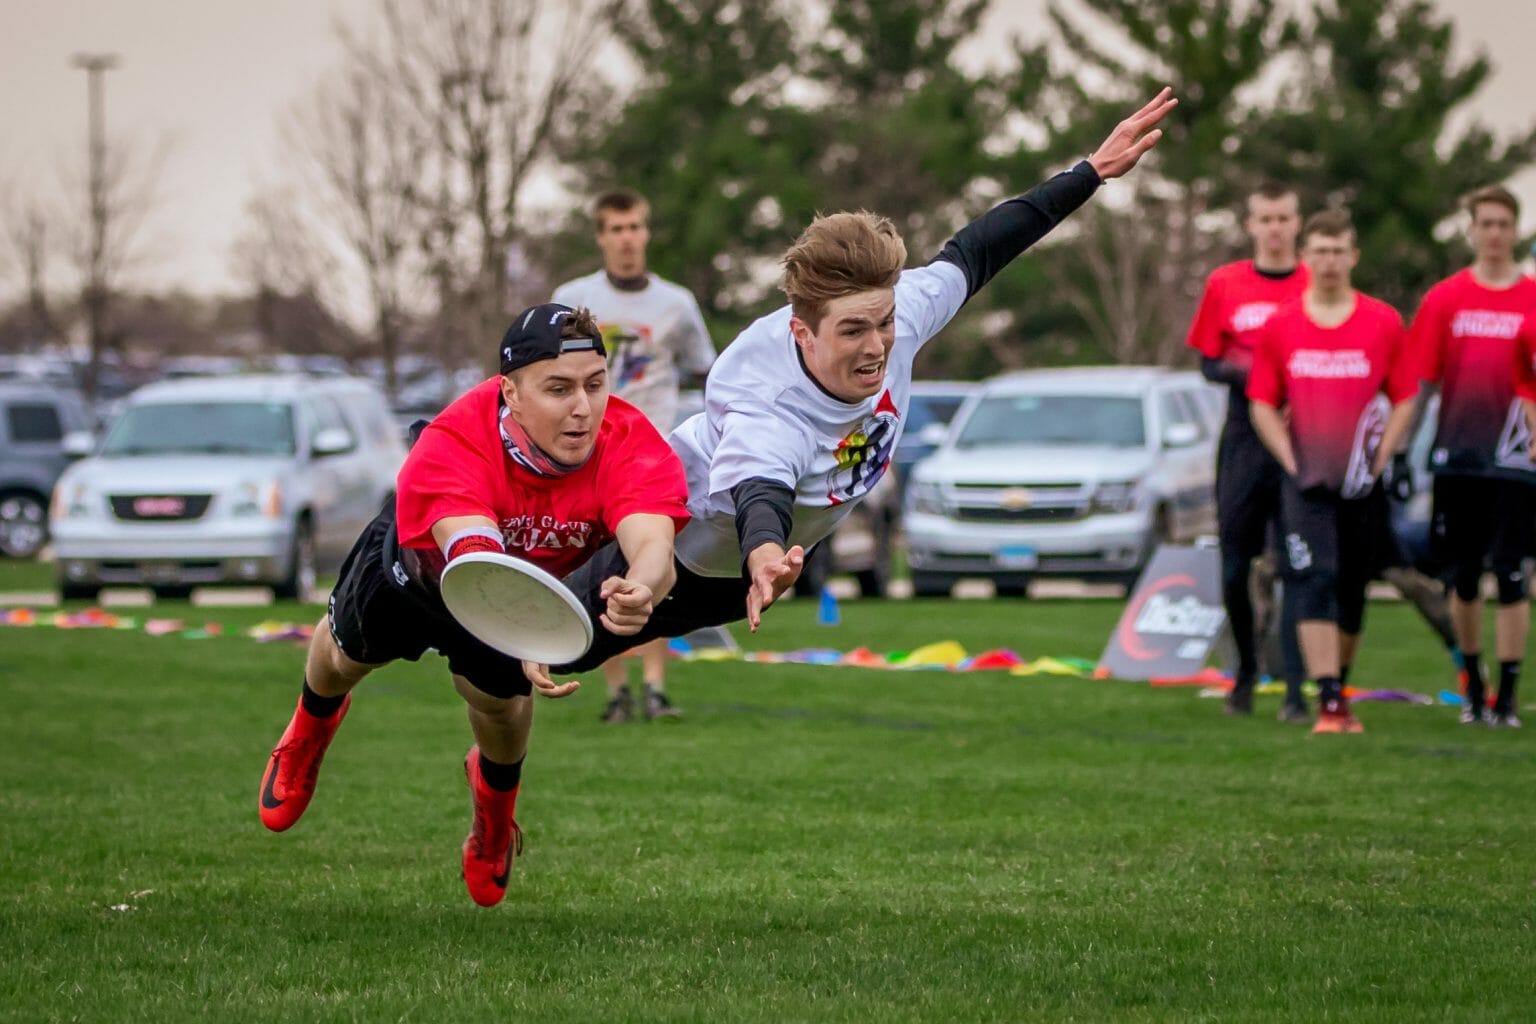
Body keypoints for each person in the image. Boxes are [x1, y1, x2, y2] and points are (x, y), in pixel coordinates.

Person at [523, 88, 1179, 693]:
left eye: (885, 323)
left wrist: (1089, 172)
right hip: (673, 540)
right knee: (524, 651)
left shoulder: (904, 308)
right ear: (802, 332)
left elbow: (983, 247)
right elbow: (762, 495)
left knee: (524, 652)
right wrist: (768, 559)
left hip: (747, 578)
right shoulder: (763, 390)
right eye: (854, 331)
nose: (877, 346)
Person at [256, 304, 689, 908]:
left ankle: (493, 815)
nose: (583, 408)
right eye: (558, 389)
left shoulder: (626, 438)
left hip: (512, 587)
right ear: (510, 391)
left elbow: (653, 544)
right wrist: (531, 629)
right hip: (424, 570)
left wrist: (642, 584)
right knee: (343, 657)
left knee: (499, 712)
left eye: (595, 384)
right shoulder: (457, 438)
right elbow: (473, 554)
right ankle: (308, 730)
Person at [1248, 209, 1419, 734]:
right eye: (1319, 251)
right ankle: (1328, 703)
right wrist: (1289, 458)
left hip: (1362, 484)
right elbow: (1261, 400)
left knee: (1351, 589)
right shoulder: (1282, 324)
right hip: (1306, 484)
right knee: (1314, 578)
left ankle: (1338, 689)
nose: (1328, 261)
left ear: (1353, 257)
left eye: (1338, 250)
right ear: (1307, 257)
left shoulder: (1382, 321)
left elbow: (1407, 396)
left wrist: (1383, 454)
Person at [553, 190, 717, 724]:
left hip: (654, 454)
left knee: (655, 559)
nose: (627, 238)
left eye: (635, 227)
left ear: (647, 232)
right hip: (592, 452)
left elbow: (705, 370)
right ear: (601, 236)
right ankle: (617, 690)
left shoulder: (676, 303)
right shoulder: (573, 296)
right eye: (616, 228)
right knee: (600, 565)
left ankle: (656, 687)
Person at [1410, 185, 1536, 728]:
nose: (1494, 233)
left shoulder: (1531, 298)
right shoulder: (1446, 298)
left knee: (1512, 576)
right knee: (1462, 578)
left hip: (1515, 463)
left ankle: (1507, 693)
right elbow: (1422, 379)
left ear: (1515, 230)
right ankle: (1473, 681)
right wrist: (1399, 453)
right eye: (1485, 223)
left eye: (1503, 224)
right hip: (1458, 455)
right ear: (1472, 230)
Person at [1186, 181, 1311, 721]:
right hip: (1242, 440)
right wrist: (1256, 376)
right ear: (1251, 225)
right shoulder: (1226, 283)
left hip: (1303, 439)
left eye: (1284, 218)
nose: (1276, 228)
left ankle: (1296, 688)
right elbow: (1209, 361)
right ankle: (1243, 674)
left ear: (1297, 223)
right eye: (1266, 218)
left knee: (1297, 566)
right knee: (1235, 567)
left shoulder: (1315, 283)